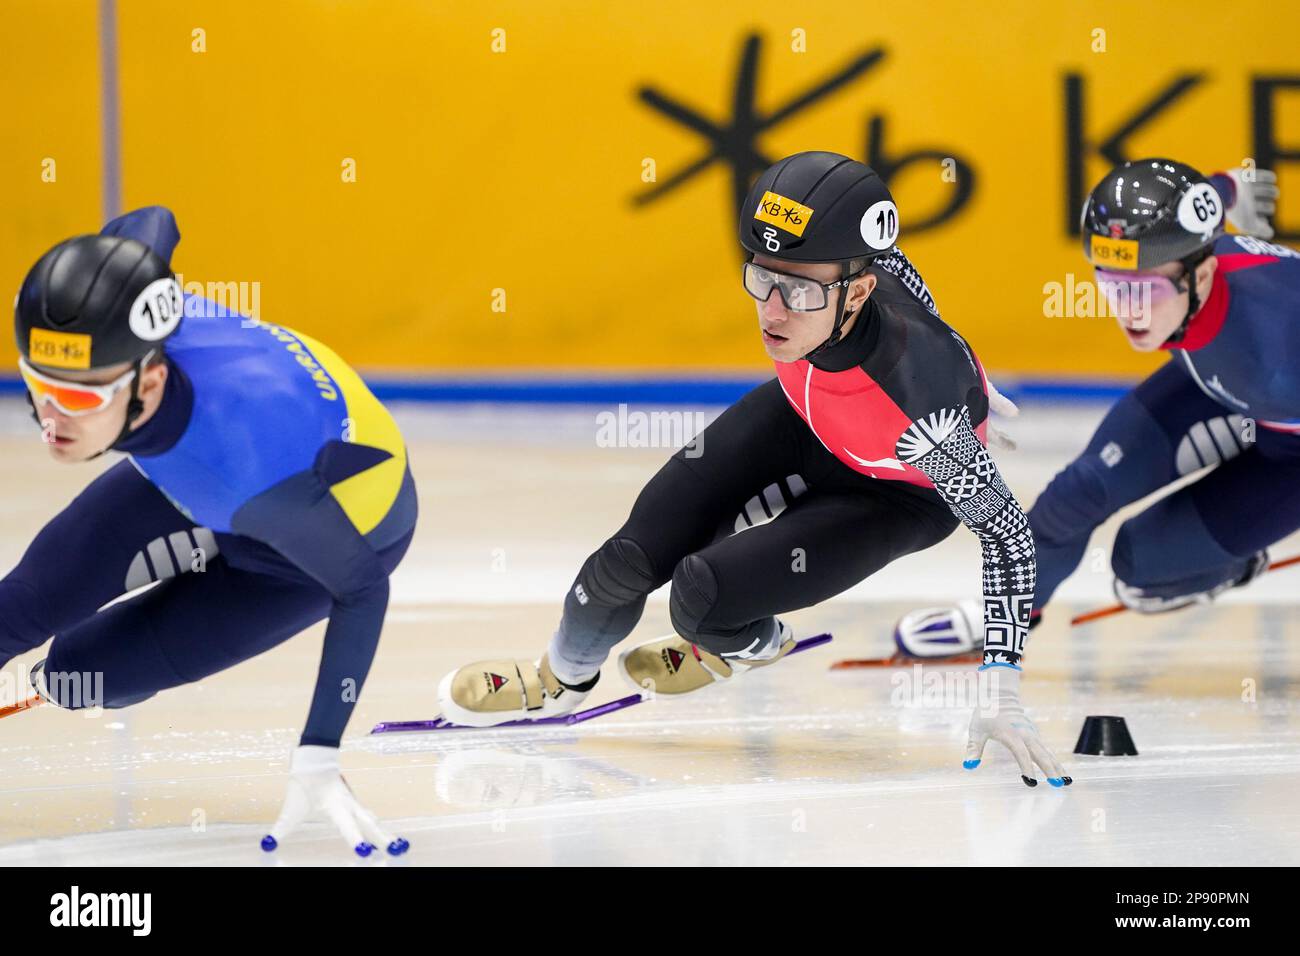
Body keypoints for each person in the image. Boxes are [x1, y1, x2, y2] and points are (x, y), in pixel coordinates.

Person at [438, 151, 1071, 788]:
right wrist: (973, 380)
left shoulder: (922, 414)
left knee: (702, 602)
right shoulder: (858, 271)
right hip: (805, 420)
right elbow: (924, 303)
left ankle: (750, 646)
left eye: (797, 290)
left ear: (858, 290)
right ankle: (557, 680)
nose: (772, 311)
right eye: (761, 278)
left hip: (892, 494)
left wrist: (1002, 684)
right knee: (625, 561)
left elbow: (1009, 536)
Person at [1, 206, 417, 856]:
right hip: (227, 471)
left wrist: (319, 748)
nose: (50, 418)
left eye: (80, 399)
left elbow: (362, 591)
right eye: (37, 384)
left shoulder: (239, 463)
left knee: (83, 674)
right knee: (24, 605)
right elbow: (153, 221)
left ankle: (54, 682)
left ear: (151, 379)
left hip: (319, 535)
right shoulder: (124, 306)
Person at [895, 158, 1294, 657]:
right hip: (1219, 387)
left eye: (1145, 289)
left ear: (1205, 271)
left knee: (1140, 571)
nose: (1128, 310)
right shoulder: (1183, 263)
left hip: (1287, 449)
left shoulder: (1273, 348)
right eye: (1113, 285)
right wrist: (1230, 185)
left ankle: (1235, 561)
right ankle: (1005, 615)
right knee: (1080, 493)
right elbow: (1199, 197)